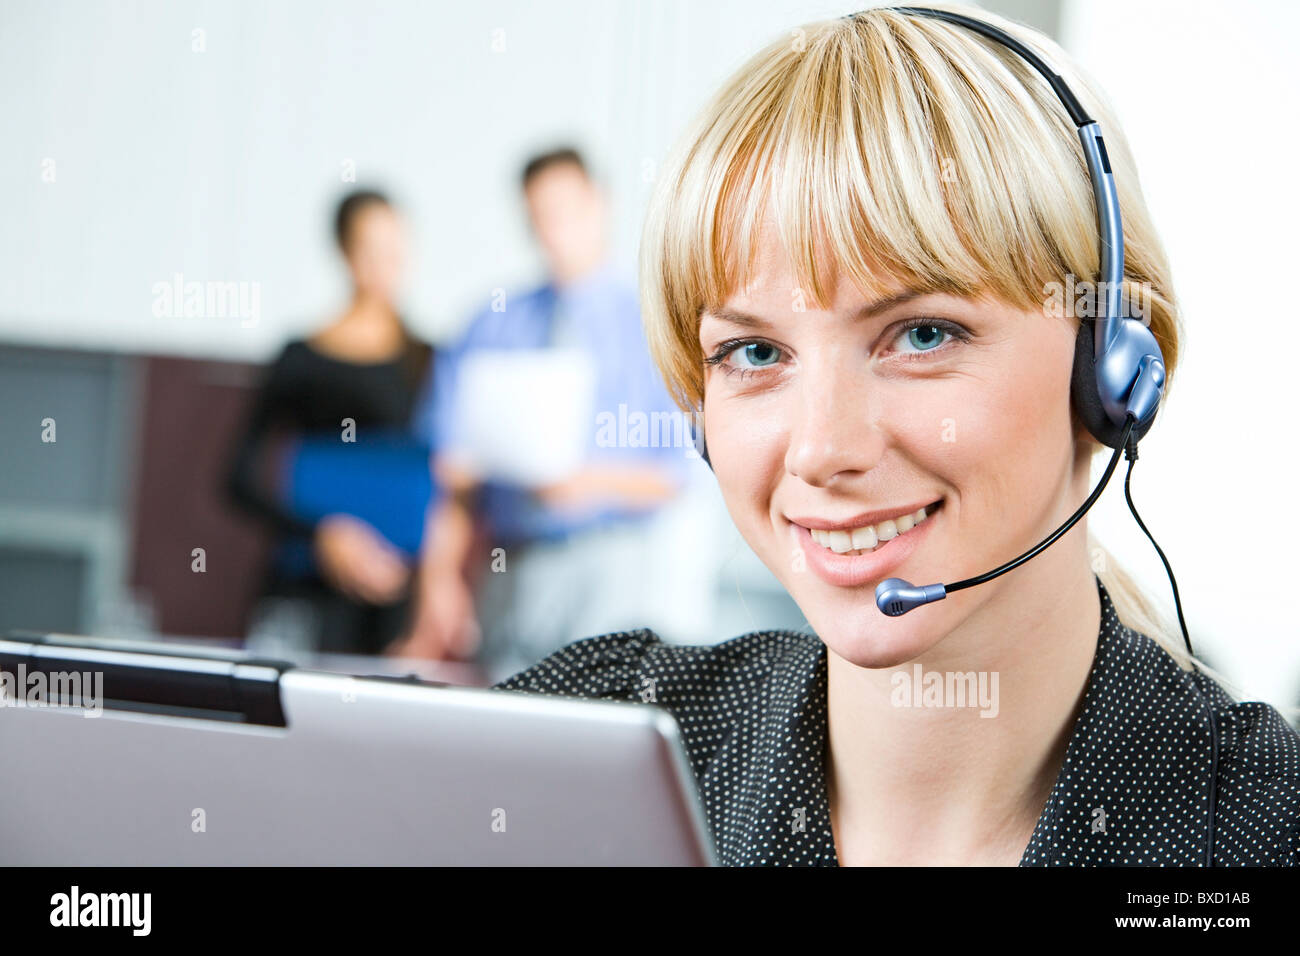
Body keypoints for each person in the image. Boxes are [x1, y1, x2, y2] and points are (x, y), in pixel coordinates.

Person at [484, 6, 1300, 865]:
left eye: (922, 335)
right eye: (754, 352)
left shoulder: (1259, 833)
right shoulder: (583, 755)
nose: (820, 449)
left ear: (1112, 369)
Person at [394, 148, 688, 678]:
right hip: (508, 564)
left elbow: (675, 475)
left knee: (595, 725)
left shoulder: (651, 326)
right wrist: (439, 583)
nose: (554, 232)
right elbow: (452, 477)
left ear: (600, 205)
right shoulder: (491, 323)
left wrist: (586, 482)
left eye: (566, 212)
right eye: (539, 217)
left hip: (607, 565)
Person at [226, 189, 433, 656]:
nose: (388, 264)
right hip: (305, 592)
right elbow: (237, 479)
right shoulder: (300, 359)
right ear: (345, 252)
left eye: (397, 250)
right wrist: (323, 535)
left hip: (393, 602)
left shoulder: (429, 363)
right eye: (372, 249)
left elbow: (452, 484)